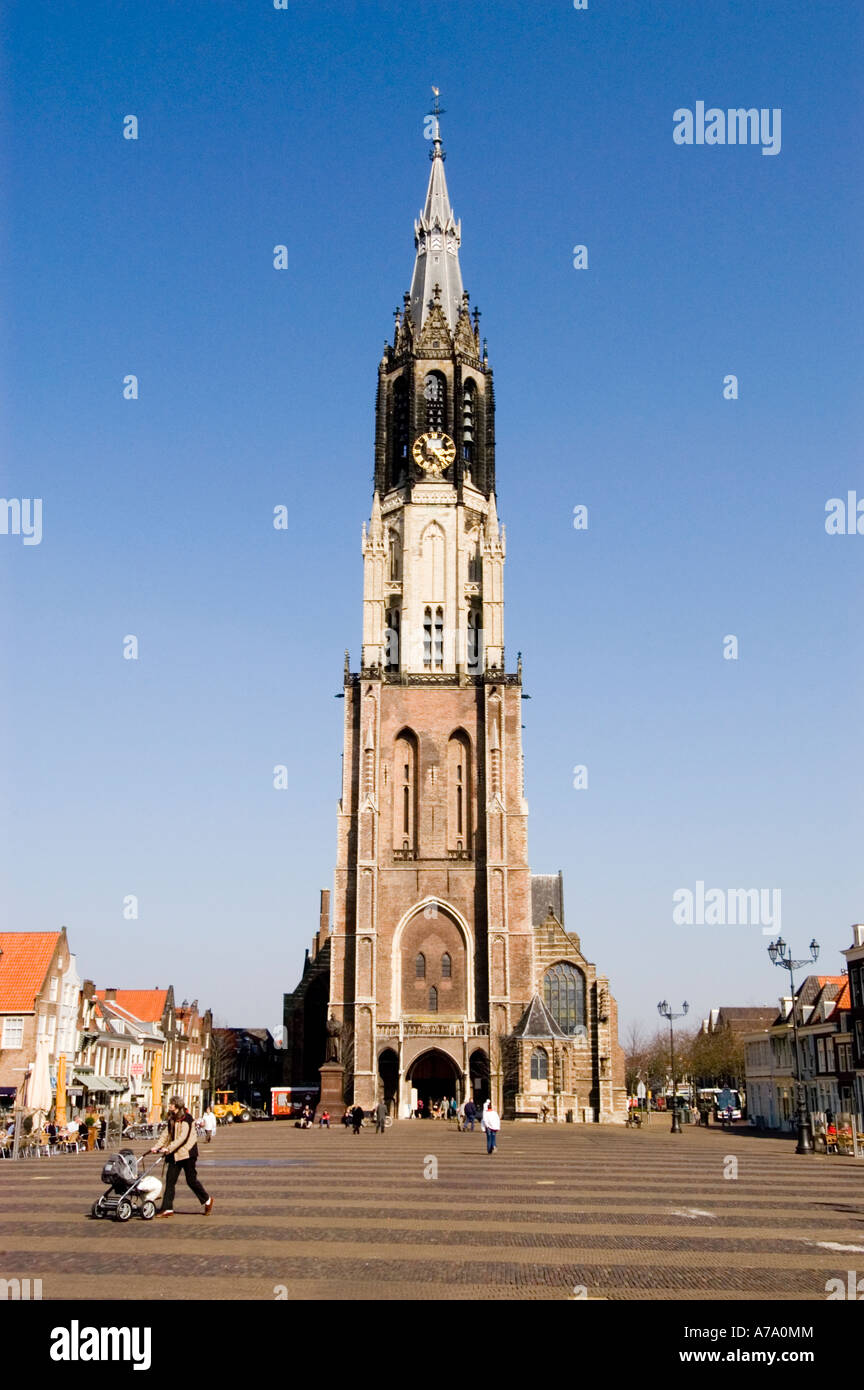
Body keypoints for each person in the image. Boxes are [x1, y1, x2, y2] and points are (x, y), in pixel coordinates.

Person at [148, 1094, 213, 1219]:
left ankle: (207, 1200)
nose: (170, 1106)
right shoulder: (171, 1119)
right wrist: (157, 1146)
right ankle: (167, 1208)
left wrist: (169, 1148)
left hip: (187, 1153)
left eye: (171, 1104)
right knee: (170, 1181)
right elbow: (166, 1134)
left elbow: (183, 1138)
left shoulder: (186, 1119)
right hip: (174, 1154)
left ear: (177, 1106)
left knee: (191, 1181)